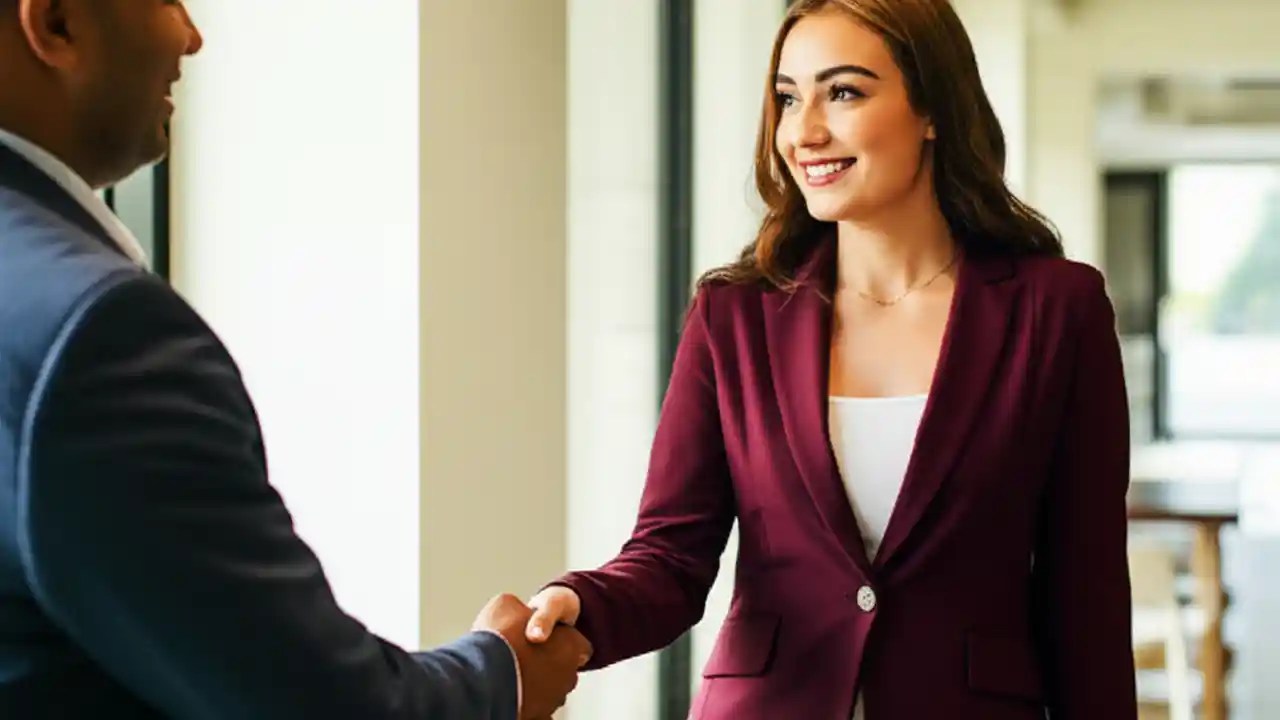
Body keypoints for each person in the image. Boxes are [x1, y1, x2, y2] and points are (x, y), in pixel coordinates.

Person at [520, 0, 1138, 718]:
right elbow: (671, 557)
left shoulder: (1056, 311)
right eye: (788, 98)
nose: (804, 131)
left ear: (933, 107)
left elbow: (1084, 594)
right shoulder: (732, 317)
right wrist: (578, 604)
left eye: (843, 92)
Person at [0, 1, 589, 718]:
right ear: (56, 23)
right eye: (164, 0)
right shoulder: (98, 333)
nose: (192, 36)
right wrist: (503, 674)